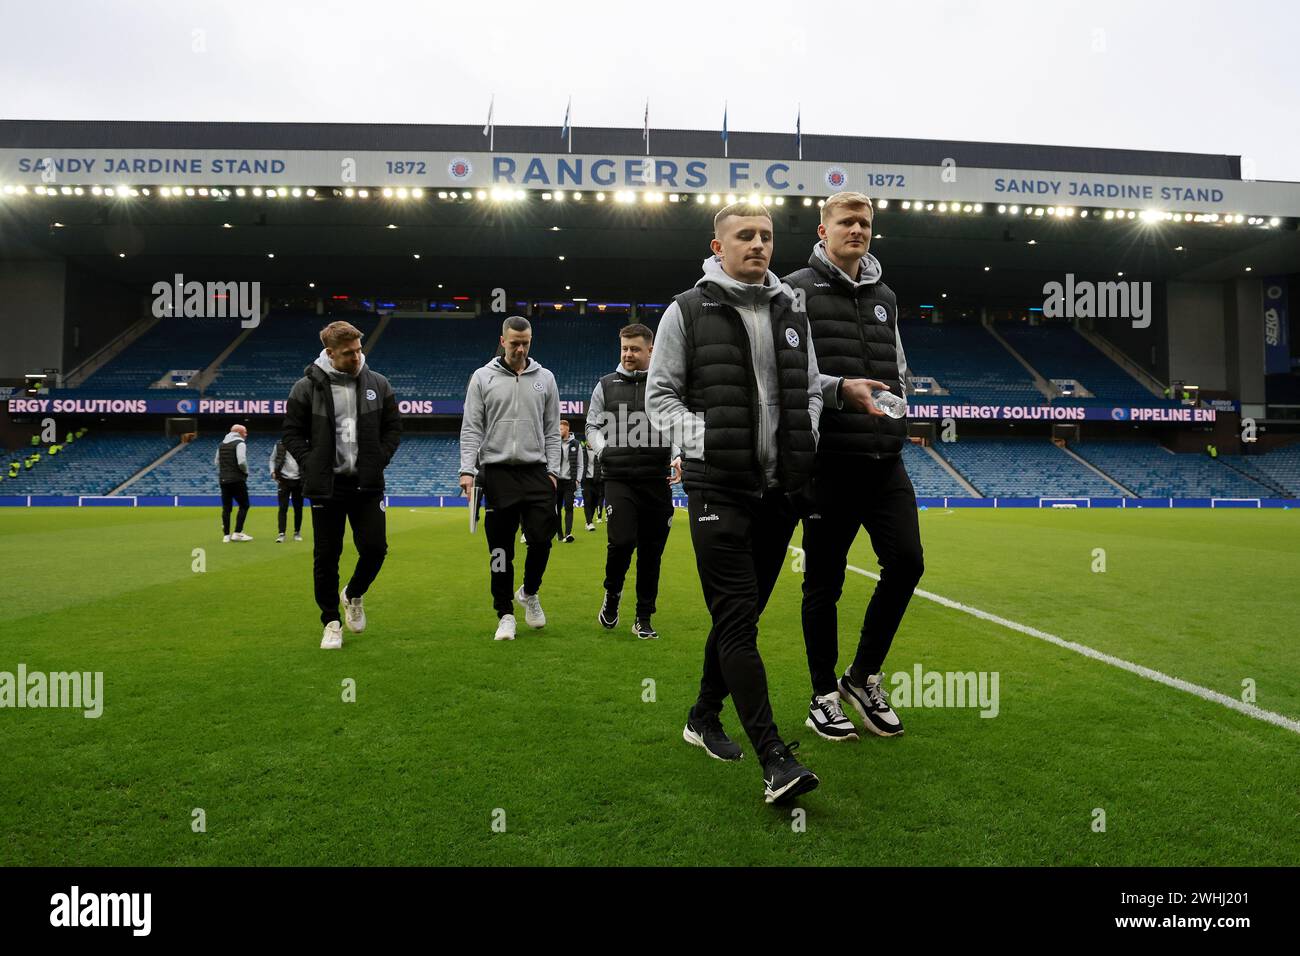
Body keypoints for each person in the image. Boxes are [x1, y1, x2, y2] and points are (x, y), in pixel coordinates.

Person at [646, 200, 824, 805]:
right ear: (717, 245)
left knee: (737, 618)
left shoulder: (792, 309)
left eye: (767, 236)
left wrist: (811, 435)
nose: (758, 245)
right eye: (744, 235)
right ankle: (775, 757)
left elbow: (807, 389)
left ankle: (701, 715)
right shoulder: (687, 310)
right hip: (717, 487)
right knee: (738, 618)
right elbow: (661, 395)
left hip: (779, 492)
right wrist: (708, 441)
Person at [784, 191, 923, 741]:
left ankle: (862, 677)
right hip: (828, 463)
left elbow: (900, 368)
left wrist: (896, 411)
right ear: (824, 230)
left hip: (883, 459)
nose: (857, 230)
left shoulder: (886, 294)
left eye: (865, 223)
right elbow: (787, 374)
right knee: (824, 583)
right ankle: (822, 694)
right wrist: (841, 394)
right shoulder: (796, 290)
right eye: (847, 222)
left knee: (907, 563)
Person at [282, 320, 401, 650]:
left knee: (375, 549)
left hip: (367, 484)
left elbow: (393, 429)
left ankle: (353, 593)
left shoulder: (378, 383)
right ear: (330, 353)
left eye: (359, 350)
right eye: (349, 353)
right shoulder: (306, 388)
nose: (356, 357)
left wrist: (378, 460)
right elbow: (291, 433)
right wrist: (311, 464)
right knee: (327, 555)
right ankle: (331, 621)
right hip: (327, 486)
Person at [459, 316, 561, 641]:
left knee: (542, 539)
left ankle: (529, 592)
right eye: (514, 343)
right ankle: (504, 613)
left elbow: (552, 430)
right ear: (502, 341)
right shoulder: (482, 378)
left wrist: (553, 471)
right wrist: (466, 470)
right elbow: (472, 427)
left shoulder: (545, 378)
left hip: (536, 471)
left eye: (525, 343)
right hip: (497, 471)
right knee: (500, 550)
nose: (520, 349)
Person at [587, 323, 681, 640]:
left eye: (635, 349)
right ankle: (612, 596)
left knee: (651, 553)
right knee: (622, 543)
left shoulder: (666, 386)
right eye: (624, 348)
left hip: (656, 480)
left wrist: (679, 455)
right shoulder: (605, 385)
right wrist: (604, 450)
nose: (628, 354)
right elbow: (590, 428)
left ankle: (643, 617)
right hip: (619, 479)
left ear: (651, 350)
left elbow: (677, 424)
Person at [215, 423, 252, 542]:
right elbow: (241, 461)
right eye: (245, 432)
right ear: (239, 433)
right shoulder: (240, 443)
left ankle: (226, 536)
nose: (246, 434)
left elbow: (216, 462)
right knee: (244, 505)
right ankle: (237, 532)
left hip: (223, 479)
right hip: (237, 479)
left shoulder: (221, 444)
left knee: (226, 508)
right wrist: (246, 471)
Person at [555, 420, 585, 543]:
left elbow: (580, 465)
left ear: (567, 429)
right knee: (556, 509)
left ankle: (568, 534)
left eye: (561, 429)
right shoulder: (555, 444)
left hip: (569, 483)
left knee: (569, 508)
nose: (559, 431)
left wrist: (577, 480)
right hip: (557, 482)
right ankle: (559, 534)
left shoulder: (576, 444)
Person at [270, 438, 304, 542]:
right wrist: (272, 471)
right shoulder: (279, 445)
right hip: (283, 480)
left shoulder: (301, 445)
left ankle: (297, 532)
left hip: (299, 480)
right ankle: (281, 534)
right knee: (283, 508)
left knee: (298, 508)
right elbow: (272, 459)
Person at [581, 442, 605, 530]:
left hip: (597, 480)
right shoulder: (582, 451)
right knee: (587, 501)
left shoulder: (599, 451)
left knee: (594, 502)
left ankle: (589, 521)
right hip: (586, 480)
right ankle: (589, 522)